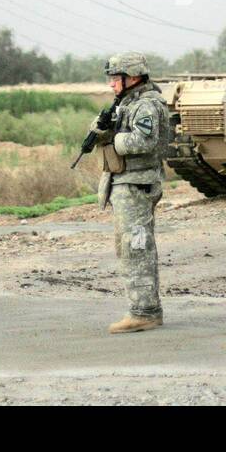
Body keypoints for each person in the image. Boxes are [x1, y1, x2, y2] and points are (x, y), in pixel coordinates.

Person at [93, 52, 171, 334]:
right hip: (125, 182)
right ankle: (143, 309)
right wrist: (101, 130)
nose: (112, 84)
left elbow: (144, 141)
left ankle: (145, 312)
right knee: (129, 247)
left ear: (133, 77)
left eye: (117, 78)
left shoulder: (147, 105)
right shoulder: (126, 103)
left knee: (136, 247)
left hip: (137, 184)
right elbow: (108, 131)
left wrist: (114, 138)